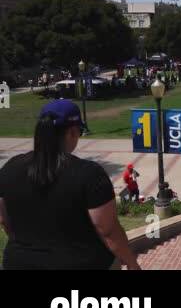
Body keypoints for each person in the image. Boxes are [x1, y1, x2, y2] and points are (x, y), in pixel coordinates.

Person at [0, 100, 140, 270]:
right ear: (72, 132)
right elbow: (108, 232)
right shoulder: (90, 174)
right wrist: (132, 264)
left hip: (19, 263)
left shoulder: (9, 168)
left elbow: (5, 221)